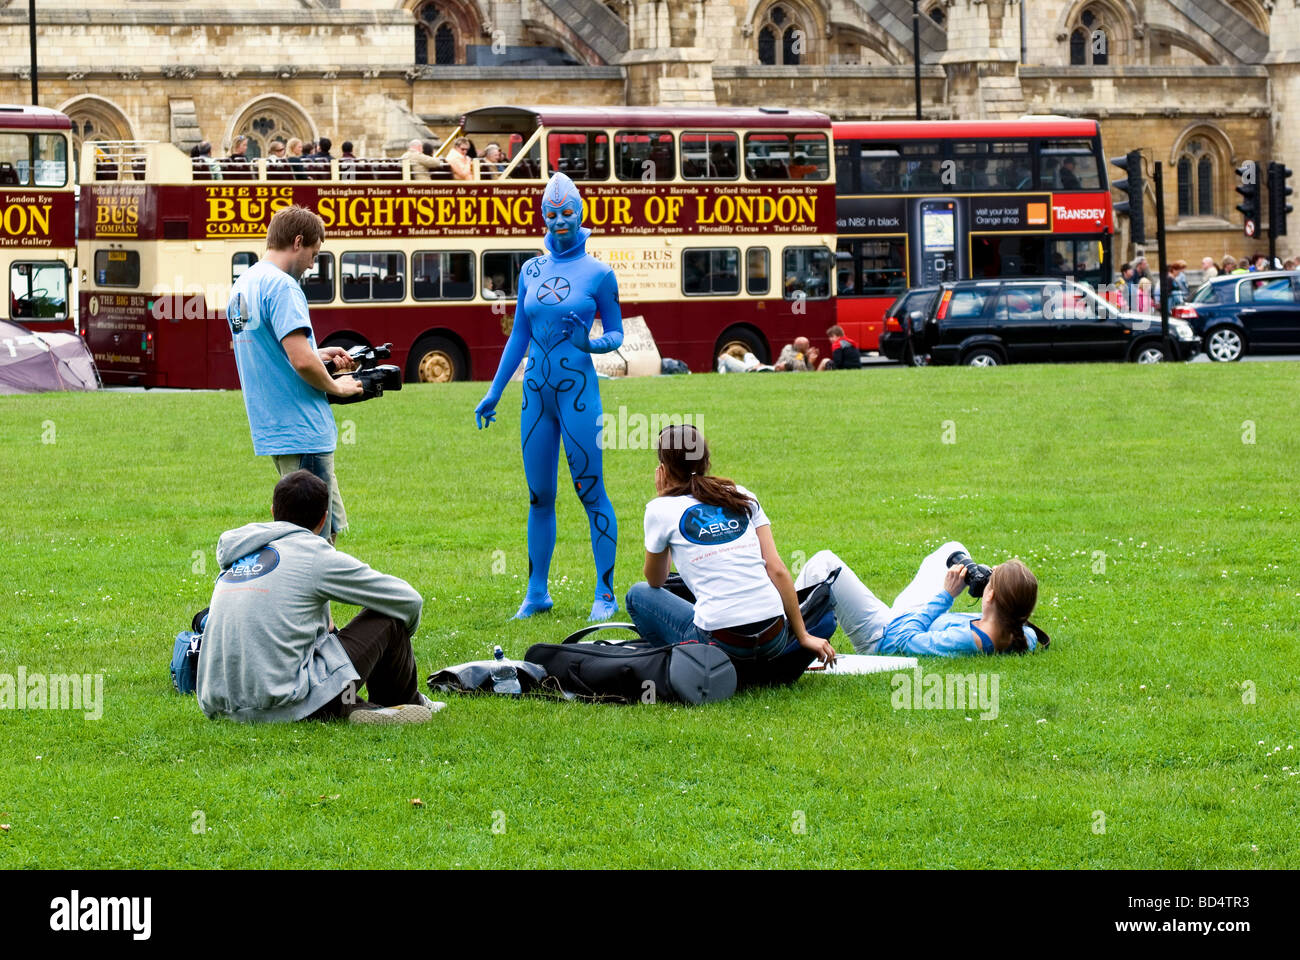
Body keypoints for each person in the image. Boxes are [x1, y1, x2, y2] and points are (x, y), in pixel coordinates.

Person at [474, 173, 624, 621]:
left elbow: (615, 332)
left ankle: (605, 592)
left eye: (567, 213)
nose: (560, 222)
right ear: (543, 216)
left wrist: (589, 344)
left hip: (578, 393)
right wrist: (494, 391)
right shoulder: (530, 270)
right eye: (552, 214)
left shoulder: (599, 273)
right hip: (535, 395)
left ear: (581, 213)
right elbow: (518, 335)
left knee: (590, 490)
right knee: (539, 495)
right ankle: (536, 592)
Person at [196, 470, 444, 724]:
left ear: (273, 511)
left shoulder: (240, 551)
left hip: (223, 706)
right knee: (389, 613)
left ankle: (355, 708)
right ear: (324, 519)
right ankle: (400, 705)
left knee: (324, 641)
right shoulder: (313, 554)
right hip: (286, 702)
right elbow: (408, 600)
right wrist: (400, 639)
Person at [625, 425, 836, 689]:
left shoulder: (660, 509)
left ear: (663, 470)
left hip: (720, 642)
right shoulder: (742, 495)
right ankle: (753, 671)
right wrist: (803, 634)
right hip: (775, 636)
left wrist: (662, 504)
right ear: (707, 461)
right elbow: (777, 570)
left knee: (638, 595)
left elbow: (656, 580)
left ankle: (691, 668)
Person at [225, 205, 362, 544]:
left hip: (274, 429)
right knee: (316, 540)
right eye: (314, 255)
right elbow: (300, 363)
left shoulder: (244, 285)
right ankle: (371, 597)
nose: (313, 265)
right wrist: (337, 387)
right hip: (304, 430)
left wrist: (318, 354)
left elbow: (275, 355)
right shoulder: (283, 287)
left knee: (304, 537)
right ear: (298, 242)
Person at [794, 544, 1043, 656]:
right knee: (952, 550)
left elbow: (902, 640)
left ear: (989, 595)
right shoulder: (1020, 634)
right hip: (916, 618)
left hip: (883, 636)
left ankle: (785, 634)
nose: (985, 577)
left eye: (989, 579)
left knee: (823, 563)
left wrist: (946, 596)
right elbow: (1027, 629)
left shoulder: (966, 641)